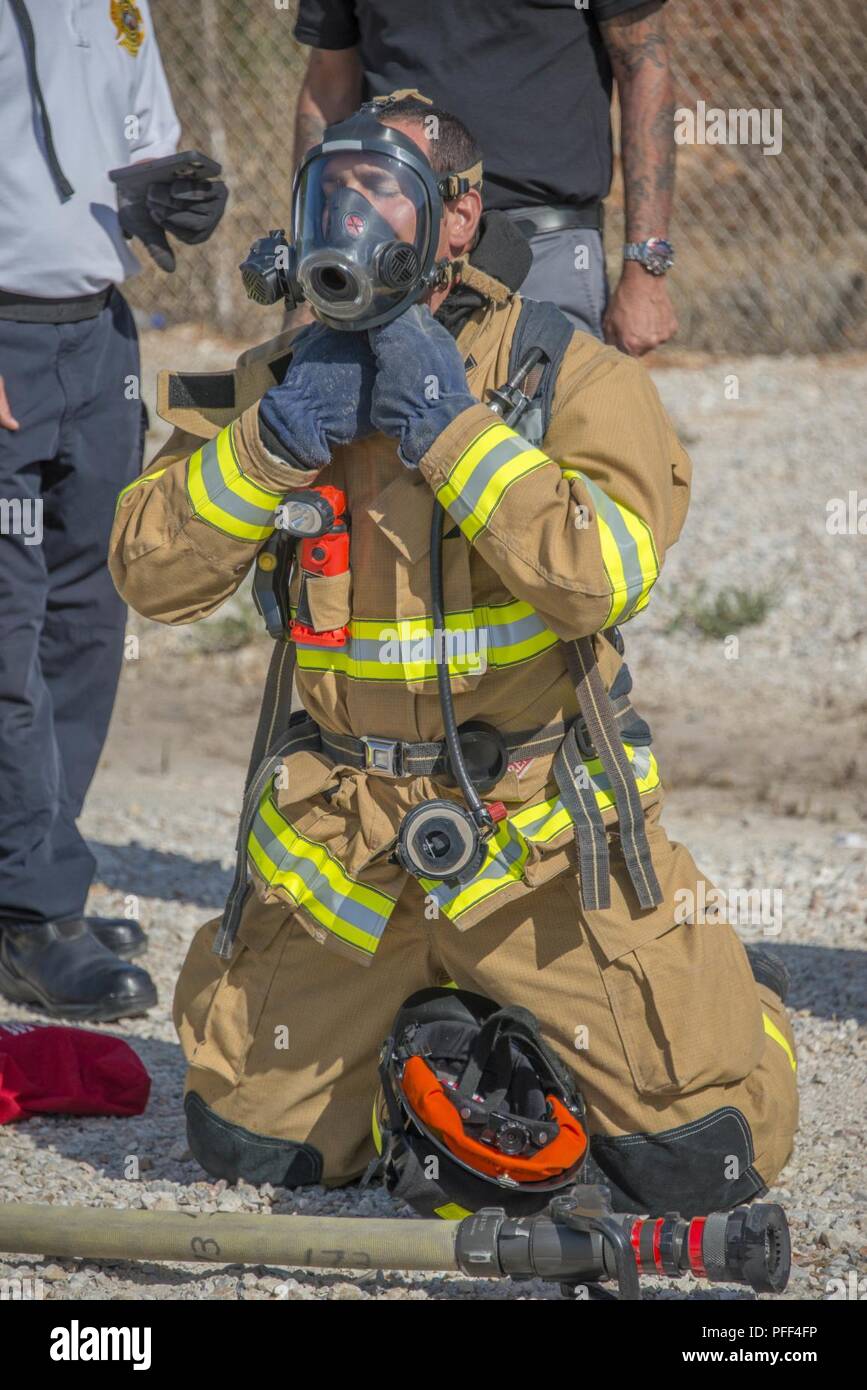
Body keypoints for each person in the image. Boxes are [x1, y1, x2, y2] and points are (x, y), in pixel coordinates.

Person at [109, 95, 798, 1216]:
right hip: (346, 839)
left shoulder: (566, 373)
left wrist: (453, 432)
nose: (353, 215)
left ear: (461, 215)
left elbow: (608, 574)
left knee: (707, 1154)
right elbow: (146, 572)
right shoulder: (270, 382)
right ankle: (426, 1028)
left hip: (530, 842)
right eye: (334, 189)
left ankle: (735, 992)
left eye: (385, 191)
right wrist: (271, 445)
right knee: (248, 1143)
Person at [0, 0, 227, 1021]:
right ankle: (31, 914)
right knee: (6, 628)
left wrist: (175, 197)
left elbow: (144, 143)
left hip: (97, 338)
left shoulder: (116, 3)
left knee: (89, 617)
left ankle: (38, 872)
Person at [292, 0, 678, 354]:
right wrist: (311, 266)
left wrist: (647, 263)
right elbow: (329, 85)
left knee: (542, 421)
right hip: (388, 251)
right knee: (375, 421)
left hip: (542, 247)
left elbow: (643, 63)